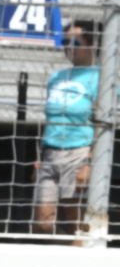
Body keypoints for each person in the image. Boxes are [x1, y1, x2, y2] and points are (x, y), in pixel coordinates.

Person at [34, 20, 103, 239]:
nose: (68, 46)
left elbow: (106, 121)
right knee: (42, 224)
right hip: (51, 152)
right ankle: (67, 259)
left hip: (79, 151)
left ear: (93, 44)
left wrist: (91, 160)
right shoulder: (57, 78)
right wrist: (40, 156)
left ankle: (82, 266)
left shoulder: (103, 77)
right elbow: (50, 118)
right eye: (65, 41)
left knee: (76, 223)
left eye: (75, 42)